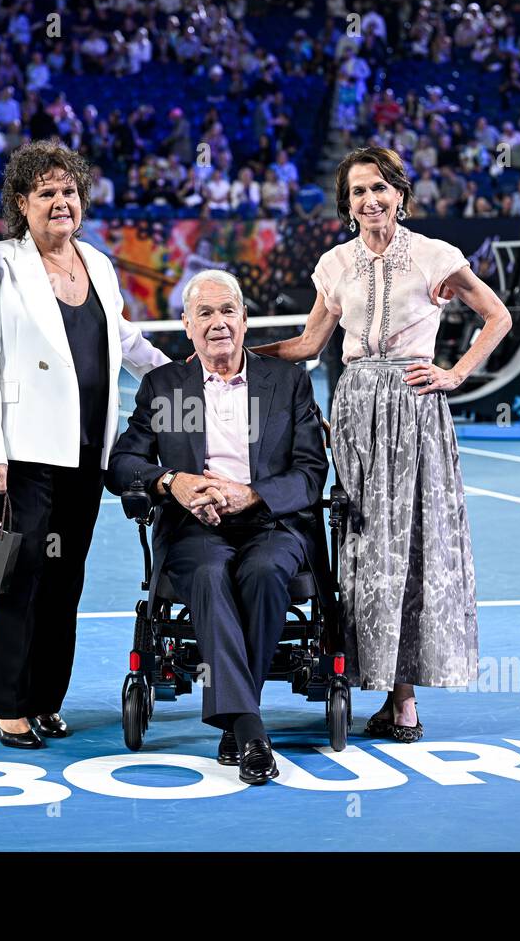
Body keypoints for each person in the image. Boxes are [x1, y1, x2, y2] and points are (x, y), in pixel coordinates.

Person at [254, 146, 512, 741]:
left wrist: (455, 374)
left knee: (411, 548)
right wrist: (236, 353)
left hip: (413, 412)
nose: (369, 200)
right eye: (357, 192)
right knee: (363, 549)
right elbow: (308, 345)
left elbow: (496, 316)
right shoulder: (335, 264)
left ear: (400, 193)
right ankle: (366, 680)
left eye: (379, 188)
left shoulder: (435, 256)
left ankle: (405, 700)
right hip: (353, 413)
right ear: (346, 204)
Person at [0, 141, 170, 749]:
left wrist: (182, 377)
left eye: (69, 191)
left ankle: (47, 700)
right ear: (21, 203)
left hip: (87, 454)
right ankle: (7, 704)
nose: (60, 202)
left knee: (64, 579)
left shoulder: (99, 264)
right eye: (46, 192)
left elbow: (125, 340)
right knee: (17, 576)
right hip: (23, 454)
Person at [105, 270, 332, 785]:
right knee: (208, 574)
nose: (217, 323)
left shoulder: (286, 381)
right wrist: (171, 481)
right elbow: (122, 466)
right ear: (186, 325)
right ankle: (250, 727)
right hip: (194, 527)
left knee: (266, 571)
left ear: (245, 320)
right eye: (204, 314)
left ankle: (237, 720)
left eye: (227, 311)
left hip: (270, 522)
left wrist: (252, 494)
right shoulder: (164, 387)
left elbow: (311, 473)